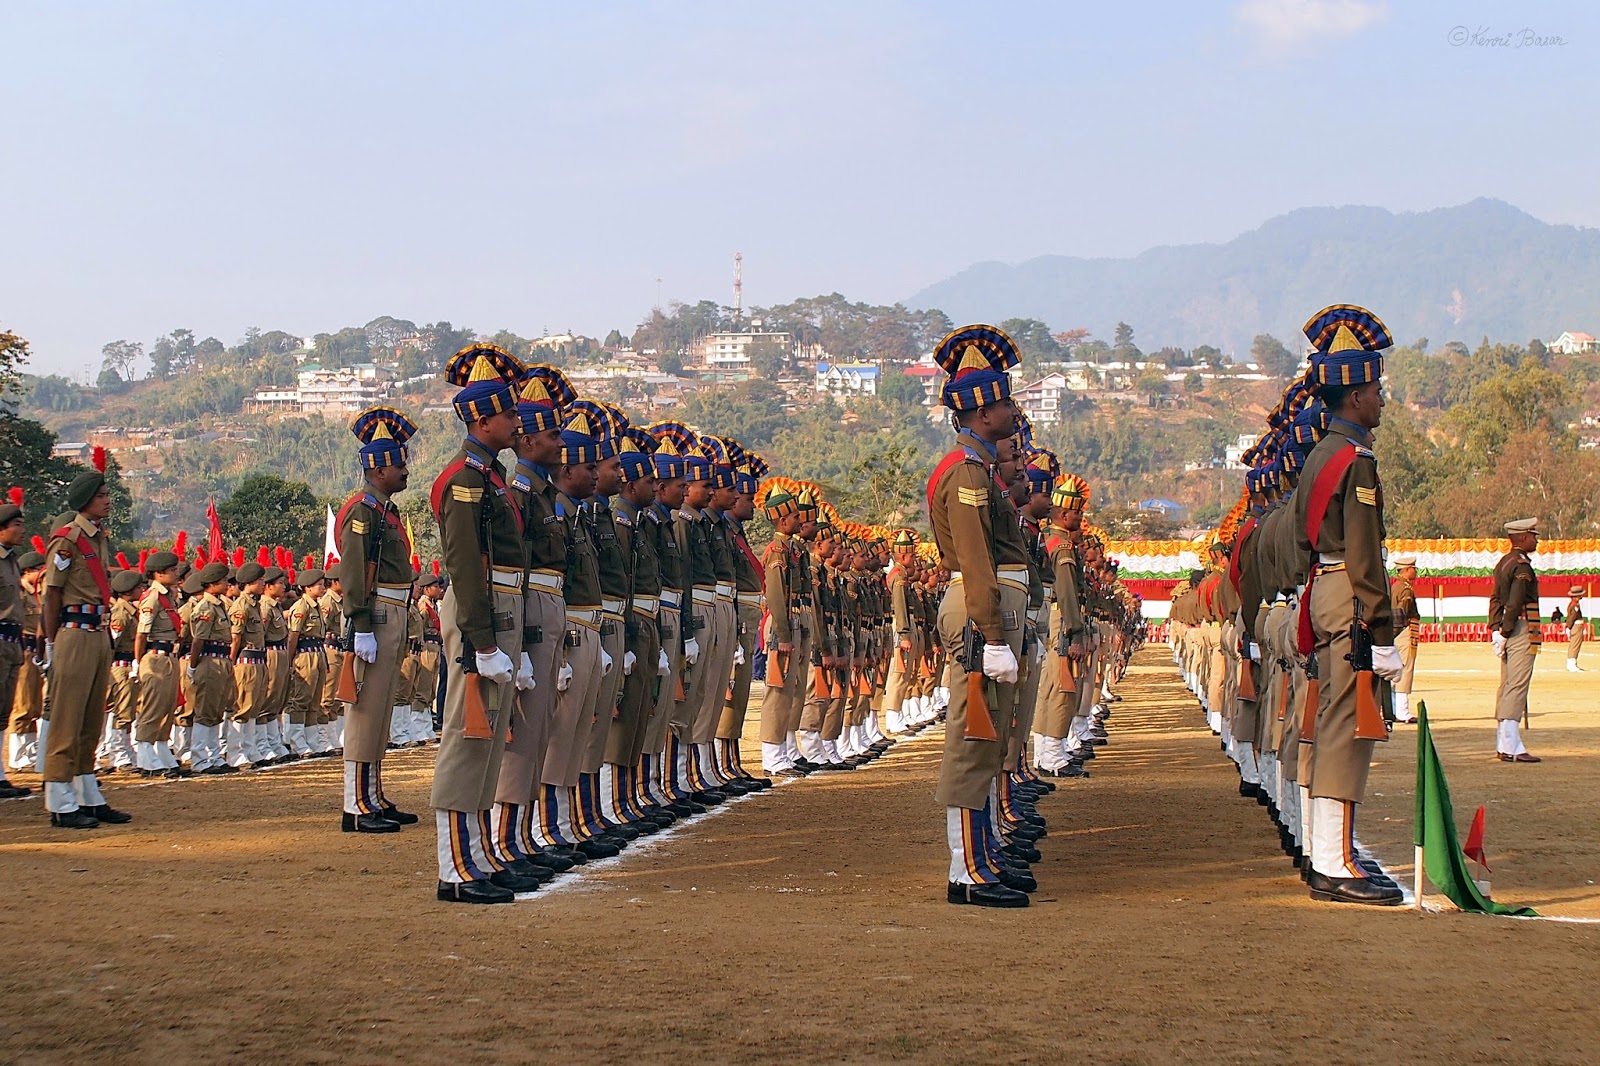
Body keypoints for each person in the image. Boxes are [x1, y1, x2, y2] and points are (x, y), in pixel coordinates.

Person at [1294, 304, 1405, 906]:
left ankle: (1325, 852)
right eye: (1376, 390)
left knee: (1331, 725)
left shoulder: (1321, 455)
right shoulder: (1354, 460)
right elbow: (1364, 554)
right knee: (1345, 729)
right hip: (1349, 598)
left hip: (1325, 592)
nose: (1381, 401)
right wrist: (1382, 630)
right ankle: (1335, 863)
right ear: (1356, 394)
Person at [925, 324, 1034, 908]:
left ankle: (982, 854)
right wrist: (992, 633)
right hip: (978, 615)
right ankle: (966, 869)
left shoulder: (980, 470)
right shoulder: (967, 474)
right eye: (1004, 402)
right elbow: (975, 562)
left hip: (989, 614)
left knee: (992, 739)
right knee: (974, 739)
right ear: (979, 411)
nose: (1012, 410)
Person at [430, 344, 539, 903]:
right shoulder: (466, 481)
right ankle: (454, 867)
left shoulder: (489, 477)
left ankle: (476, 856)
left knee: (491, 741)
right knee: (469, 737)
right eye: (508, 414)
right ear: (480, 419)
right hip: (481, 614)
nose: (516, 422)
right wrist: (480, 640)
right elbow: (465, 565)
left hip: (500, 612)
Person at [335, 406, 421, 832]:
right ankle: (355, 803)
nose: (405, 470)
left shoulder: (384, 510)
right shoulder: (363, 510)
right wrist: (362, 623)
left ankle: (372, 793)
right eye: (399, 463)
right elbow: (354, 571)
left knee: (381, 710)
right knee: (366, 711)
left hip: (393, 612)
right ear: (378, 467)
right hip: (377, 614)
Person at [40, 455, 133, 828]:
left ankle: (87, 794)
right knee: (67, 719)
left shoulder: (97, 537)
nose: (109, 500)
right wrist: (50, 644)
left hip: (96, 633)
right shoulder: (67, 541)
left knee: (91, 720)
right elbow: (51, 595)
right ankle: (60, 801)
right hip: (74, 634)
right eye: (103, 495)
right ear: (87, 500)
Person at [1490, 518, 1542, 763]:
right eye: (1533, 535)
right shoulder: (1521, 566)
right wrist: (1506, 631)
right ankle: (1512, 745)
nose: (1536, 540)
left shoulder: (1504, 562)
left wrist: (1495, 629)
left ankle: (1504, 742)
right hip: (1519, 628)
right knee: (1517, 685)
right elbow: (1514, 602)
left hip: (1507, 628)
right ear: (1523, 538)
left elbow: (1495, 599)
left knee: (1508, 684)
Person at [132, 551, 186, 777]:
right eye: (172, 570)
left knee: (168, 706)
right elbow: (141, 634)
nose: (176, 574)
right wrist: (137, 662)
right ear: (158, 573)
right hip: (155, 657)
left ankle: (162, 748)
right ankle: (145, 753)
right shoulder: (152, 597)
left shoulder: (169, 597)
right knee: (153, 706)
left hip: (170, 657)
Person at [185, 561, 236, 775]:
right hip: (209, 660)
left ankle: (214, 756)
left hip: (221, 660)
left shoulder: (219, 604)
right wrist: (193, 666)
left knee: (216, 711)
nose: (226, 583)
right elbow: (198, 640)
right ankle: (199, 758)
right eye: (223, 580)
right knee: (205, 711)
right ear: (212, 583)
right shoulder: (205, 607)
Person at [0, 488, 34, 799]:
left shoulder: (11, 562)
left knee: (4, 708)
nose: (22, 530)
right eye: (17, 525)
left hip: (12, 640)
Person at [1389, 554, 1421, 722]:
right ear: (1407, 570)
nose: (1415, 572)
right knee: (1405, 669)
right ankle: (1402, 712)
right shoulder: (1406, 588)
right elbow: (1401, 613)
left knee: (1396, 669)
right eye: (1413, 569)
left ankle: (1395, 709)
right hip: (1405, 631)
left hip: (1397, 632)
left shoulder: (1396, 586)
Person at [1564, 585, 1587, 672]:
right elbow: (1572, 617)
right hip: (1576, 626)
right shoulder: (1575, 605)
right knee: (1575, 644)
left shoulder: (1574, 604)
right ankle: (1571, 664)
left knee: (1575, 644)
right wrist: (1568, 627)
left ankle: (1573, 663)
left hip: (1576, 626)